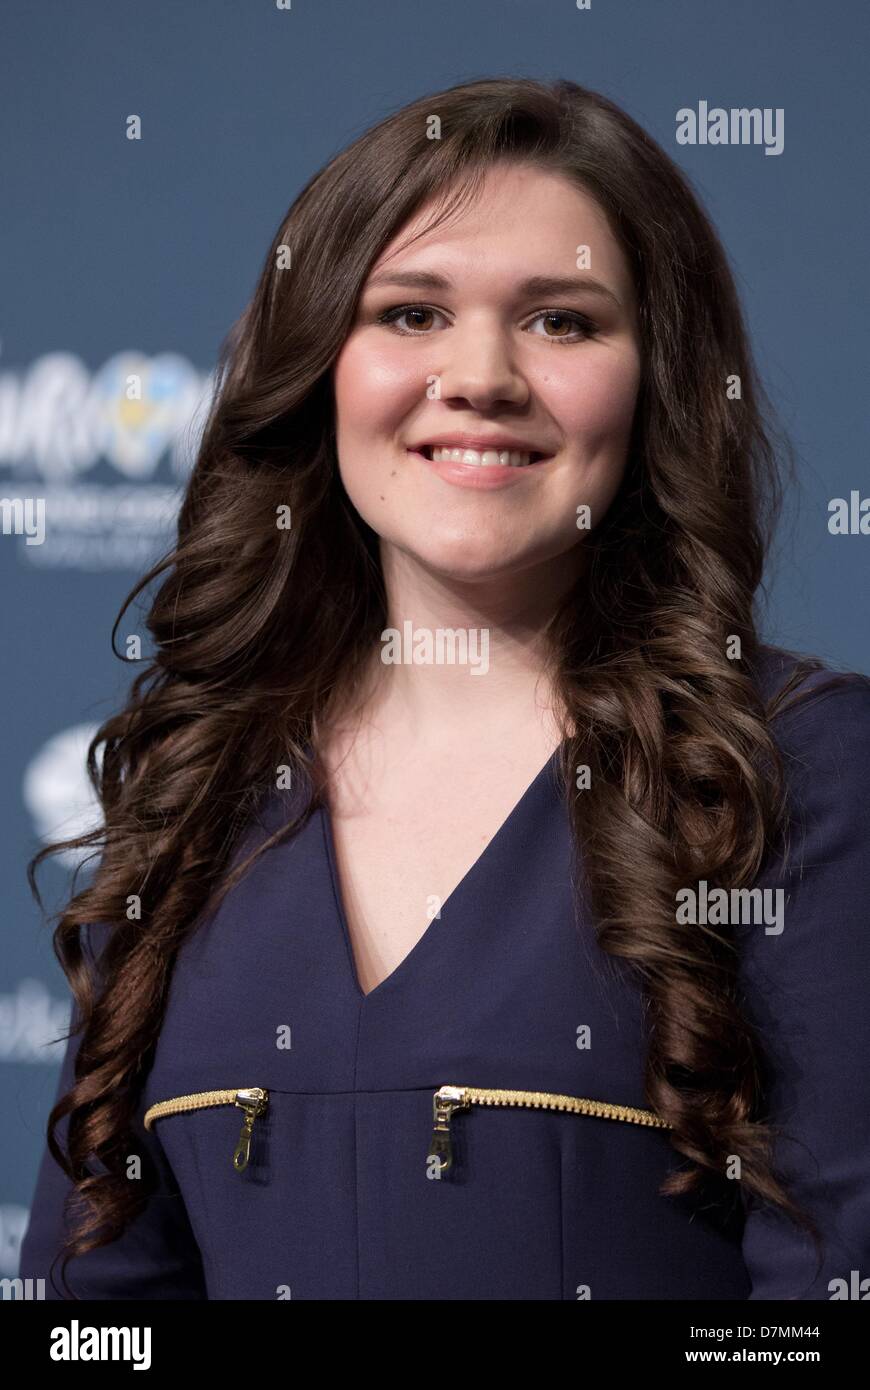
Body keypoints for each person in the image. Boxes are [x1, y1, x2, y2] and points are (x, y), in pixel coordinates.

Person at [20, 76, 870, 1300]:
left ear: (656, 383)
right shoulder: (193, 789)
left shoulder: (787, 769)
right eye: (411, 313)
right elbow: (95, 1311)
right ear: (318, 364)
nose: (481, 375)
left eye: (563, 322)